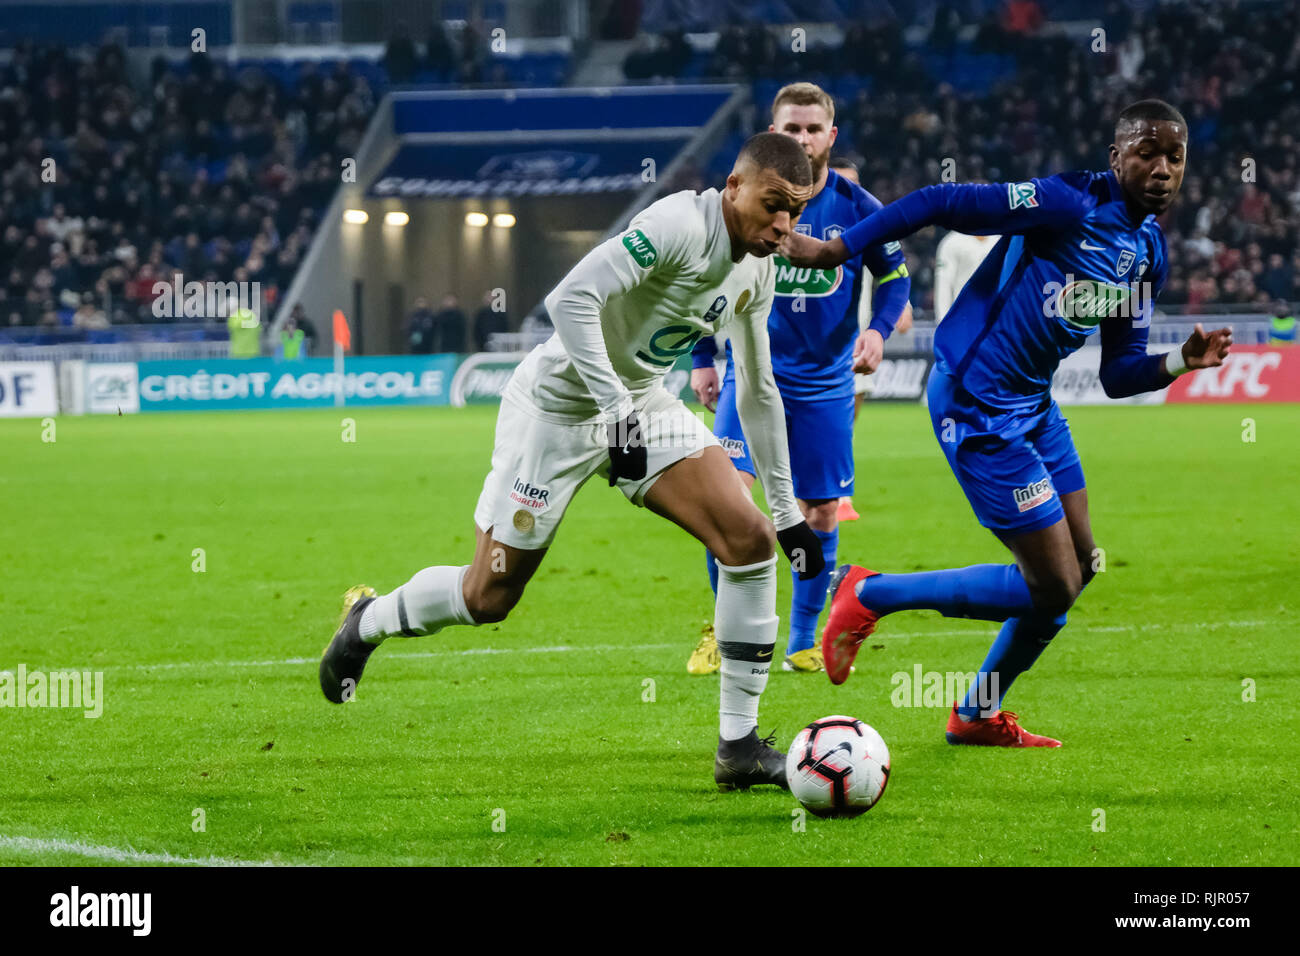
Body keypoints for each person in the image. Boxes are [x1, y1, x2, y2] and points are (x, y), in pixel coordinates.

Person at [320, 133, 826, 791]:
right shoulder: (675, 224)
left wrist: (787, 515)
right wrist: (613, 408)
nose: (784, 224)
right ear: (734, 187)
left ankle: (740, 747)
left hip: (641, 402)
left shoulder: (760, 266)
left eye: (797, 209)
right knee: (489, 593)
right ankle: (369, 620)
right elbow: (570, 301)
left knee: (751, 540)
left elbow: (757, 388)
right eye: (773, 203)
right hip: (558, 409)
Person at [781, 99, 1233, 746]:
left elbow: (1118, 371)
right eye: (1146, 153)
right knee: (1054, 583)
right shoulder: (1066, 203)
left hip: (1034, 406)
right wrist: (836, 250)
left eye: (1175, 157)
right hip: (976, 401)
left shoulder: (1145, 252)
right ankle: (871, 593)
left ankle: (975, 713)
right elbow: (940, 200)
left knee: (1077, 571)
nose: (1161, 168)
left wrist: (1179, 362)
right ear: (1117, 157)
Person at [686, 86, 911, 676]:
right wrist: (702, 358)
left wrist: (881, 331)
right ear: (774, 131)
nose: (803, 138)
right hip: (749, 375)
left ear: (831, 137)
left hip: (825, 384)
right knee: (729, 503)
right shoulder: (741, 201)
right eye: (792, 128)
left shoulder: (860, 207)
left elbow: (897, 279)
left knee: (820, 513)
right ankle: (723, 630)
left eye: (814, 129)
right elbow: (701, 281)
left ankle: (804, 640)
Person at [829, 156, 914, 524]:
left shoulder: (867, 223)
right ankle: (826, 491)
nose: (850, 192)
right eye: (842, 183)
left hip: (858, 338)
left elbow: (889, 271)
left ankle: (841, 493)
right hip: (814, 343)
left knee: (846, 419)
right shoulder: (813, 223)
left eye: (855, 184)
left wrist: (897, 308)